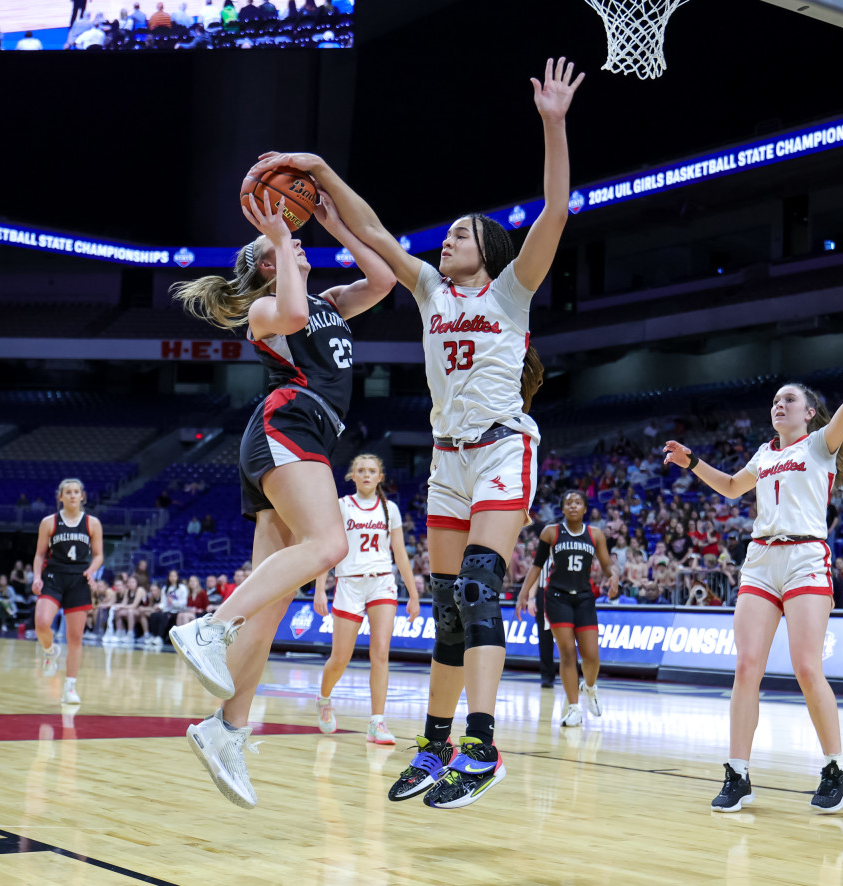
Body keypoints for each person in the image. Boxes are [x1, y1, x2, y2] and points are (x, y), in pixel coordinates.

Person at [266, 56, 583, 809]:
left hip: (503, 447)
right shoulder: (431, 289)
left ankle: (481, 744)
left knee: (477, 587)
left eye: (462, 236)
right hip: (448, 460)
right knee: (447, 607)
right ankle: (436, 743)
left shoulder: (512, 290)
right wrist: (319, 168)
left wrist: (553, 123)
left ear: (490, 251)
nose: (447, 243)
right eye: (445, 236)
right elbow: (369, 226)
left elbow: (557, 209)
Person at [166, 184, 396, 810]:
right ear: (267, 263)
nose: (295, 244)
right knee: (330, 543)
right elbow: (292, 317)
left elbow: (383, 279)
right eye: (279, 248)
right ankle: (208, 628)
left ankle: (225, 728)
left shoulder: (330, 301)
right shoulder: (267, 311)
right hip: (286, 426)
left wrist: (334, 222)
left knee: (270, 607)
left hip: (304, 436)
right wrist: (280, 241)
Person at [663, 315, 843, 814]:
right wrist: (694, 463)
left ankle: (836, 767)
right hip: (760, 560)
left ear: (809, 413)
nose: (779, 405)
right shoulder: (763, 452)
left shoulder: (821, 445)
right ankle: (737, 773)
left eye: (789, 400)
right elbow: (734, 488)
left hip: (804, 557)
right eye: (775, 400)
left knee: (805, 667)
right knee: (745, 667)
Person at [314, 454, 421, 743]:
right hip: (349, 584)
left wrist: (413, 594)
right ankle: (324, 699)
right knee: (340, 658)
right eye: (360, 470)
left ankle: (377, 722)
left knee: (381, 653)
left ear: (380, 477)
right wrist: (320, 587)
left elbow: (400, 553)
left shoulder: (391, 509)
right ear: (352, 475)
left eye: (371, 470)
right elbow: (328, 549)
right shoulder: (341, 506)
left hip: (382, 584)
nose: (366, 475)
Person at [515, 490, 617, 727]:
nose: (573, 506)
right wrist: (524, 593)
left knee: (591, 656)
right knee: (568, 653)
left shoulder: (596, 534)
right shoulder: (551, 532)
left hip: (584, 598)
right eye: (568, 502)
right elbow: (537, 565)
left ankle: (589, 687)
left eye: (578, 502)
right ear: (562, 508)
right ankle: (574, 708)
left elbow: (607, 565)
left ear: (585, 509)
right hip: (556, 597)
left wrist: (614, 577)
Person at [32, 479, 104, 706]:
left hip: (79, 580)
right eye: (68, 492)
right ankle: (49, 650)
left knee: (75, 638)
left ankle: (70, 687)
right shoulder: (48, 522)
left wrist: (92, 571)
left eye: (76, 492)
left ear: (82, 496)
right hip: (53, 577)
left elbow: (99, 555)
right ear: (60, 497)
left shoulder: (92, 523)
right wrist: (36, 577)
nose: (72, 495)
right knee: (42, 622)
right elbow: (39, 555)